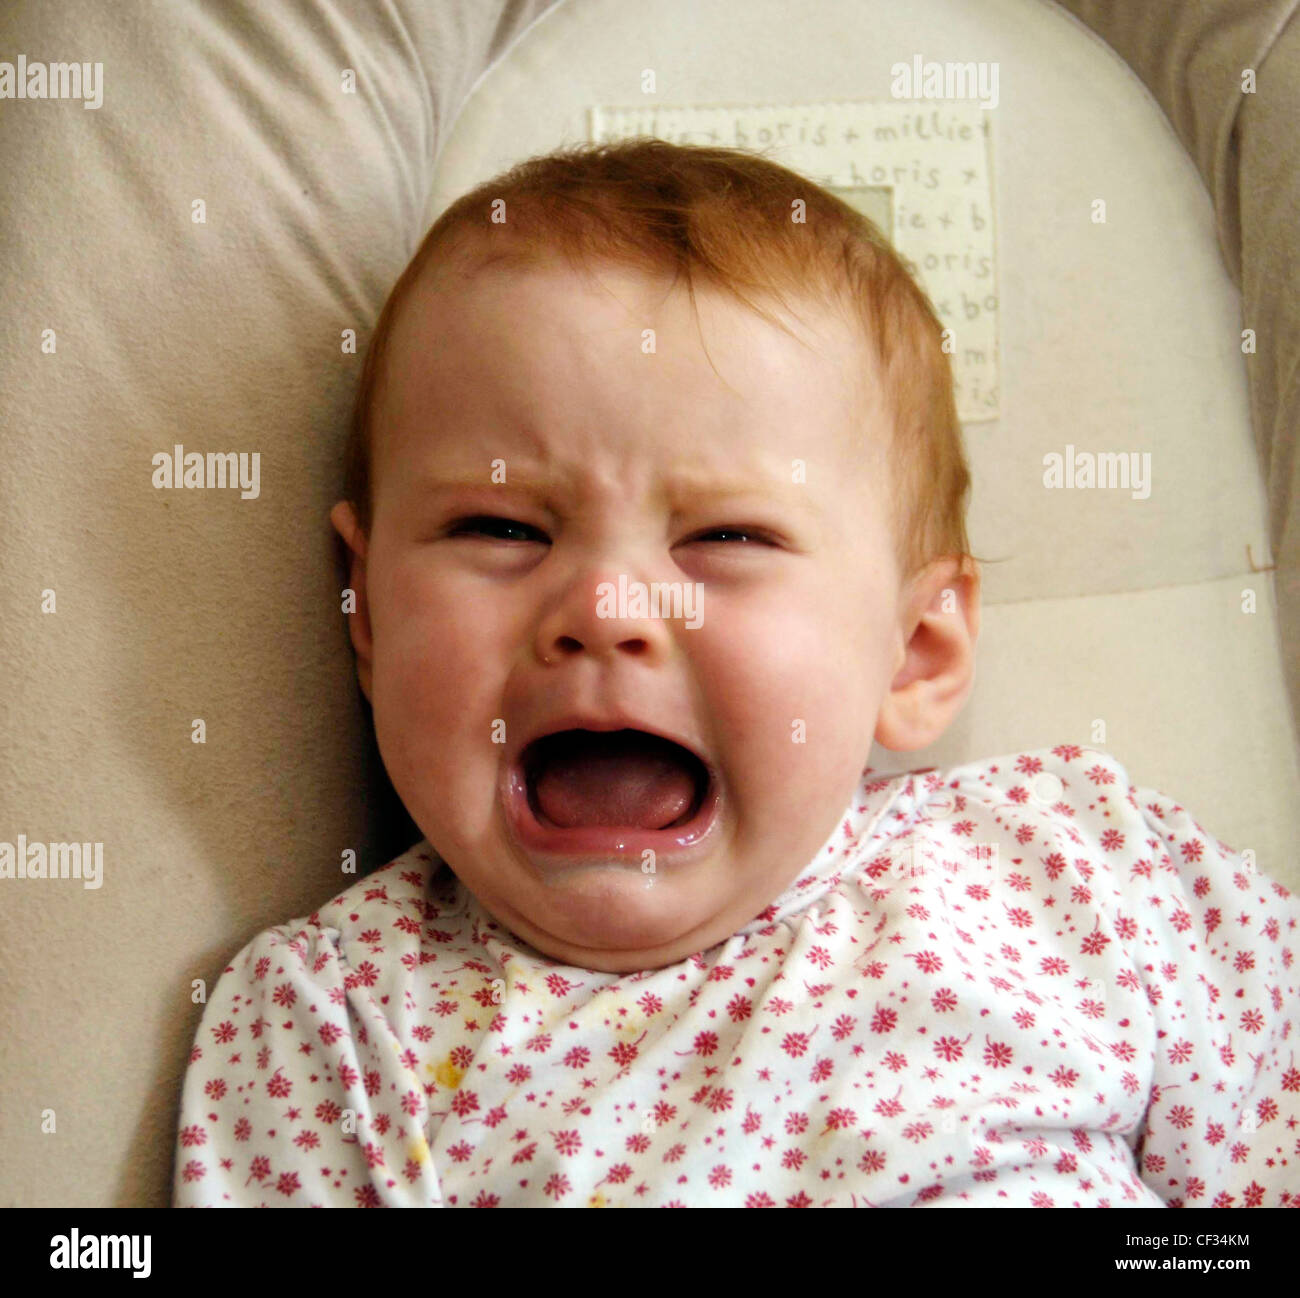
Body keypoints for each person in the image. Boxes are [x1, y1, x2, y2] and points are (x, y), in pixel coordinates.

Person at [173, 139, 1299, 1207]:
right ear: (364, 609)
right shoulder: (334, 1023)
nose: (606, 611)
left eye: (728, 540)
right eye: (501, 526)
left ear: (912, 650)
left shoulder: (1079, 871)